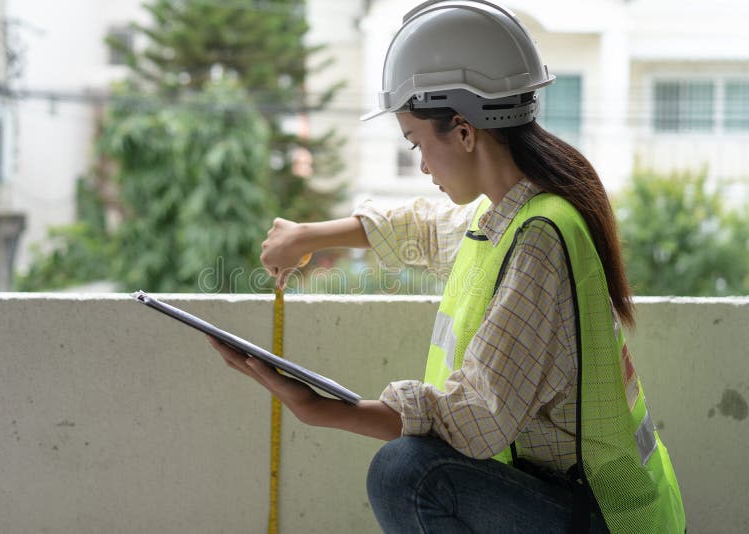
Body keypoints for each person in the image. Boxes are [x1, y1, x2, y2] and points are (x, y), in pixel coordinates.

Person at [207, 1, 686, 532]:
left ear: (463, 130)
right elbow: (424, 228)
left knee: (405, 471)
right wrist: (310, 236)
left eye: (417, 143)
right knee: (408, 462)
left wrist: (324, 410)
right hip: (570, 496)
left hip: (605, 516)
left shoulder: (539, 240)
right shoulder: (510, 213)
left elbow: (480, 414)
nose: (421, 165)